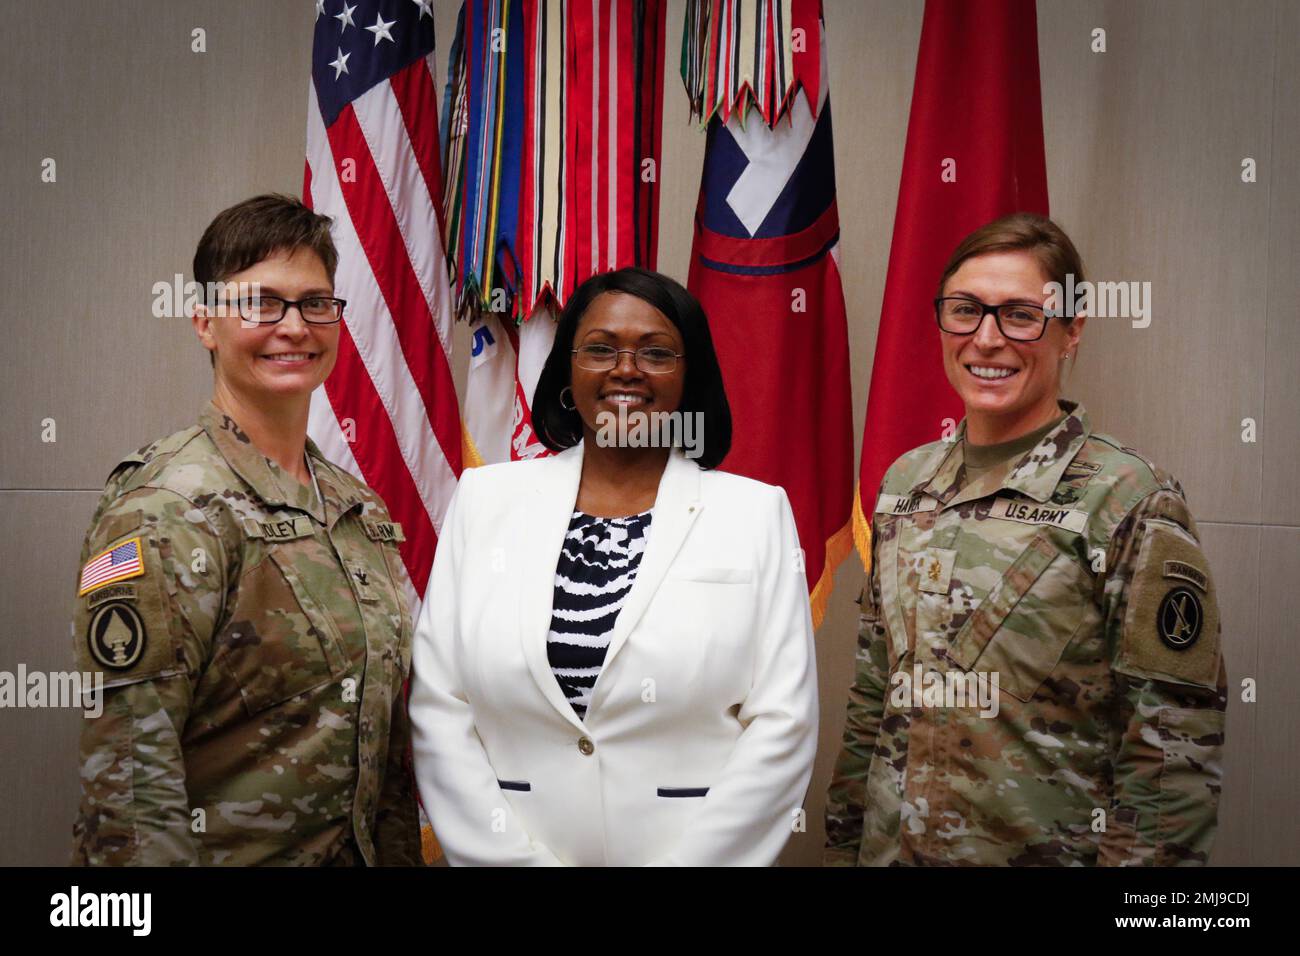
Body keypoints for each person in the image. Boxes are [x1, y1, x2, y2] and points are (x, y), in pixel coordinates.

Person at [825, 213, 1227, 866]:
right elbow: (874, 698)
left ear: (1072, 331)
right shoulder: (906, 482)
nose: (987, 340)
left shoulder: (1130, 500)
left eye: (1020, 315)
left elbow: (1171, 754)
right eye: (965, 311)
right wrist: (842, 850)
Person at [409, 267, 818, 866]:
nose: (626, 370)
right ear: (568, 371)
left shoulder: (756, 514)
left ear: (690, 375)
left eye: (656, 353)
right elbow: (440, 704)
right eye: (600, 348)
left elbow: (783, 722)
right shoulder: (484, 501)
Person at [71, 194, 423, 866]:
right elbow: (130, 785)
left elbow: (383, 749)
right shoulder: (165, 508)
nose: (295, 326)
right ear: (204, 322)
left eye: (315, 302)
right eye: (261, 303)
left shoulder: (356, 508)